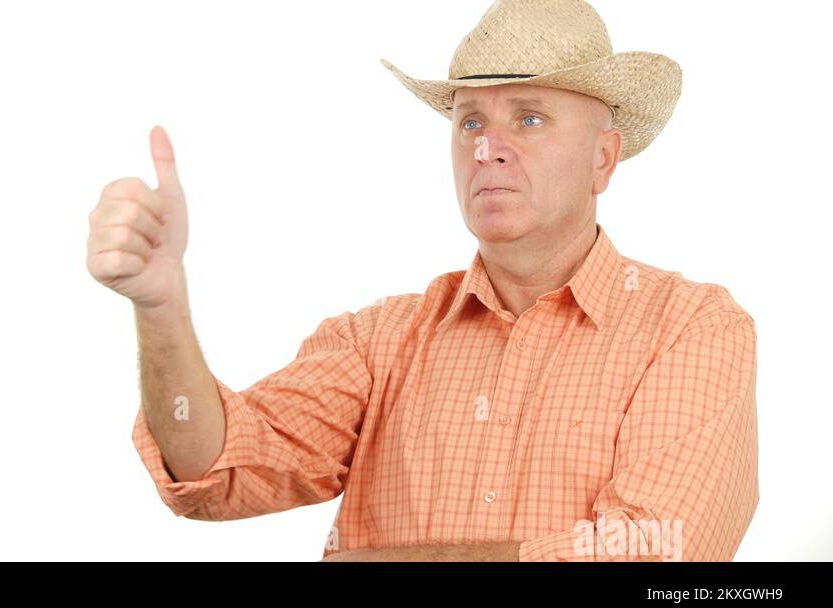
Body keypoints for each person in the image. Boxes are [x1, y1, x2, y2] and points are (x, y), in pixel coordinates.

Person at [85, 0, 758, 561]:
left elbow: (659, 554)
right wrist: (162, 305)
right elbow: (213, 470)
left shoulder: (692, 326)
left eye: (529, 118)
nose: (486, 148)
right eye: (471, 121)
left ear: (603, 160)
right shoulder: (379, 340)